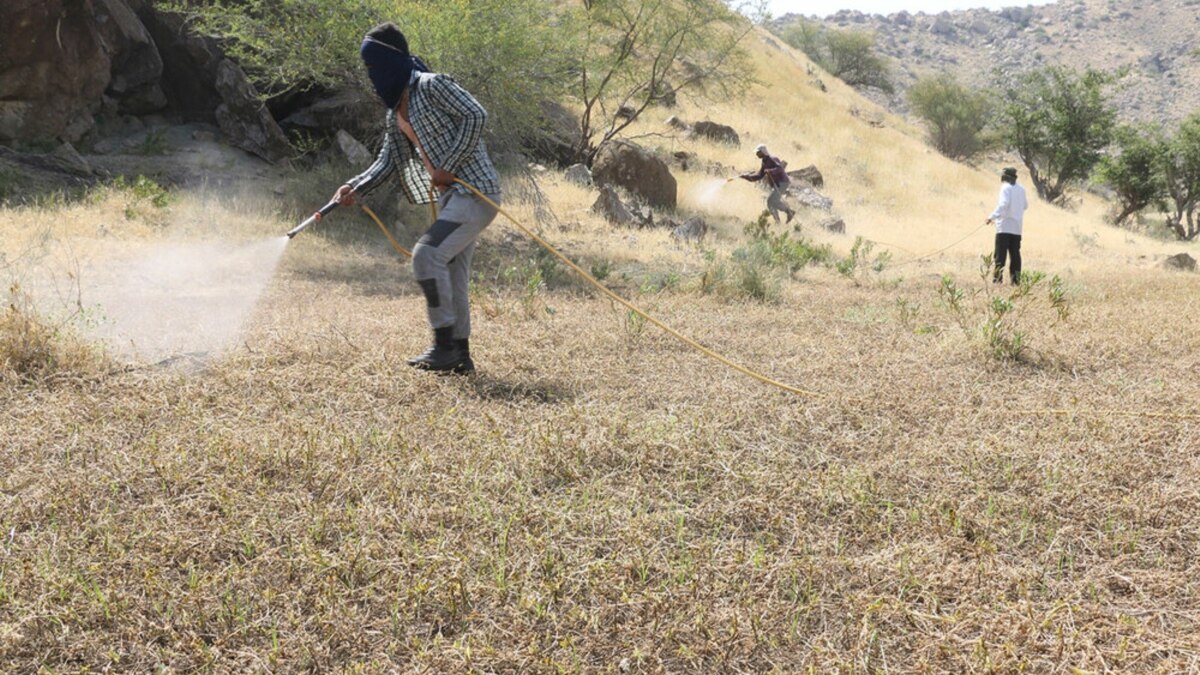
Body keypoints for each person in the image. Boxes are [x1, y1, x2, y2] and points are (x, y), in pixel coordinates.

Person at [329, 23, 501, 374]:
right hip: (455, 197)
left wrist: (448, 166)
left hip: (476, 193)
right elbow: (388, 161)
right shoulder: (396, 114)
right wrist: (354, 188)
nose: (372, 76)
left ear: (393, 63)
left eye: (375, 66)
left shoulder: (432, 85)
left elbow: (476, 115)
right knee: (453, 272)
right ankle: (460, 355)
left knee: (427, 255)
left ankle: (443, 347)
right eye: (368, 69)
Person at [986, 167, 1029, 285]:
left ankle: (997, 281)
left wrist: (991, 217)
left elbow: (1003, 204)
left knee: (1000, 256)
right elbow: (1025, 206)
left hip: (1004, 227)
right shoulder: (1021, 189)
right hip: (1017, 228)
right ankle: (1016, 281)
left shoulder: (1005, 188)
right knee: (1015, 255)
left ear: (1006, 176)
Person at [739, 144, 795, 225]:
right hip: (777, 185)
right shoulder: (764, 162)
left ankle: (784, 216)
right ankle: (785, 216)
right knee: (772, 202)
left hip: (783, 183)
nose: (757, 154)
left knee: (770, 201)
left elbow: (780, 168)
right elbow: (759, 176)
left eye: (758, 152)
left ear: (763, 152)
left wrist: (770, 171)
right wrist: (746, 177)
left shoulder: (773, 159)